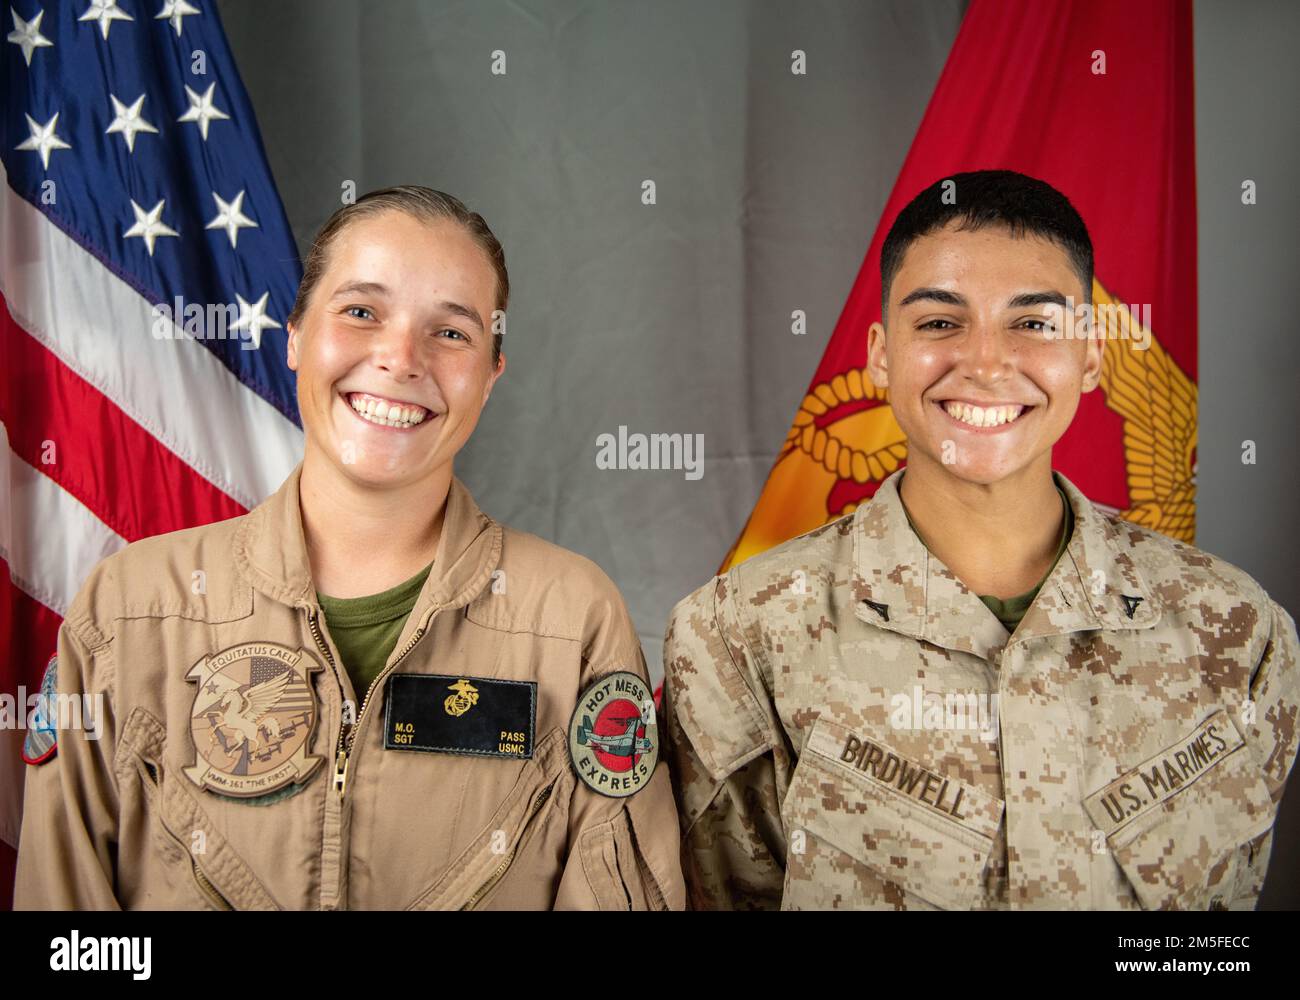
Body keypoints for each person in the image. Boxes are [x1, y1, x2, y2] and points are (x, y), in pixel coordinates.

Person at [16, 186, 684, 910]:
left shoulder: (572, 621)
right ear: (296, 333)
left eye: (452, 332)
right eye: (361, 312)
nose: (401, 359)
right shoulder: (129, 610)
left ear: (492, 374)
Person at [660, 170, 1298, 910]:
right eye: (939, 322)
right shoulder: (739, 635)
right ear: (881, 354)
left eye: (1033, 323)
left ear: (1091, 356)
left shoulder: (1234, 632)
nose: (988, 363)